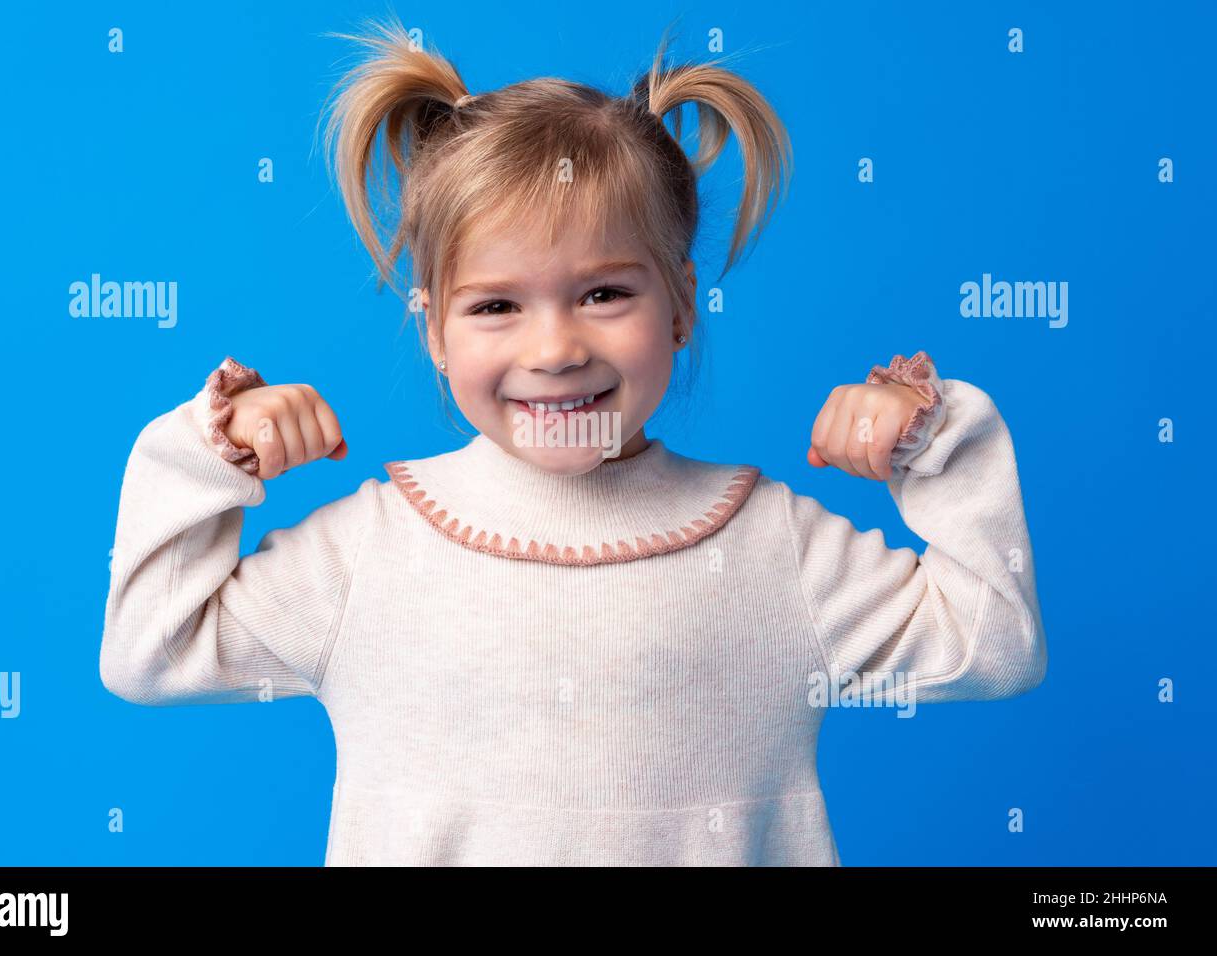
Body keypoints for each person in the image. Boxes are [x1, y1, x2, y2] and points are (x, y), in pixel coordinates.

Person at [99, 16, 1046, 865]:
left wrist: (935, 440)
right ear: (434, 332)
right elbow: (152, 652)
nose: (554, 349)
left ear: (680, 305)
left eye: (603, 294)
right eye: (496, 305)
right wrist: (210, 452)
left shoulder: (773, 548)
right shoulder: (368, 553)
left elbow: (996, 644)